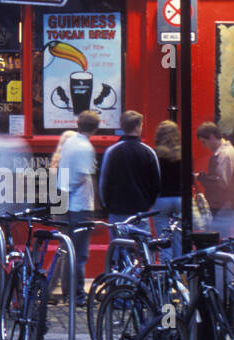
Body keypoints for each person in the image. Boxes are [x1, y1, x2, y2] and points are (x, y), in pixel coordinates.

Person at [57, 110, 100, 306]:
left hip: (65, 201)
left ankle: (68, 291)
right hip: (79, 205)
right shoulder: (85, 147)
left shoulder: (70, 142)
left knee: (68, 250)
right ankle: (77, 295)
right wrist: (96, 208)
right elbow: (85, 176)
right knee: (79, 253)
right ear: (96, 128)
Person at [98, 110, 160, 224]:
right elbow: (156, 184)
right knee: (141, 241)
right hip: (140, 211)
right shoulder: (148, 152)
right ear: (137, 127)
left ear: (122, 126)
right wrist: (147, 205)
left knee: (119, 241)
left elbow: (103, 183)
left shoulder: (112, 151)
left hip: (117, 210)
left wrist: (107, 205)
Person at [151, 120, 182, 257]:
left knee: (163, 240)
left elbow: (151, 179)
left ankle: (165, 272)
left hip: (161, 199)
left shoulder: (155, 154)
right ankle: (181, 273)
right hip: (180, 199)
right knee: (179, 239)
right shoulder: (183, 154)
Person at [196, 121, 234, 214]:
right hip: (223, 206)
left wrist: (201, 177)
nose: (204, 146)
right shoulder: (226, 152)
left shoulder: (225, 154)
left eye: (204, 142)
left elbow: (220, 183)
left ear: (212, 136)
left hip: (223, 207)